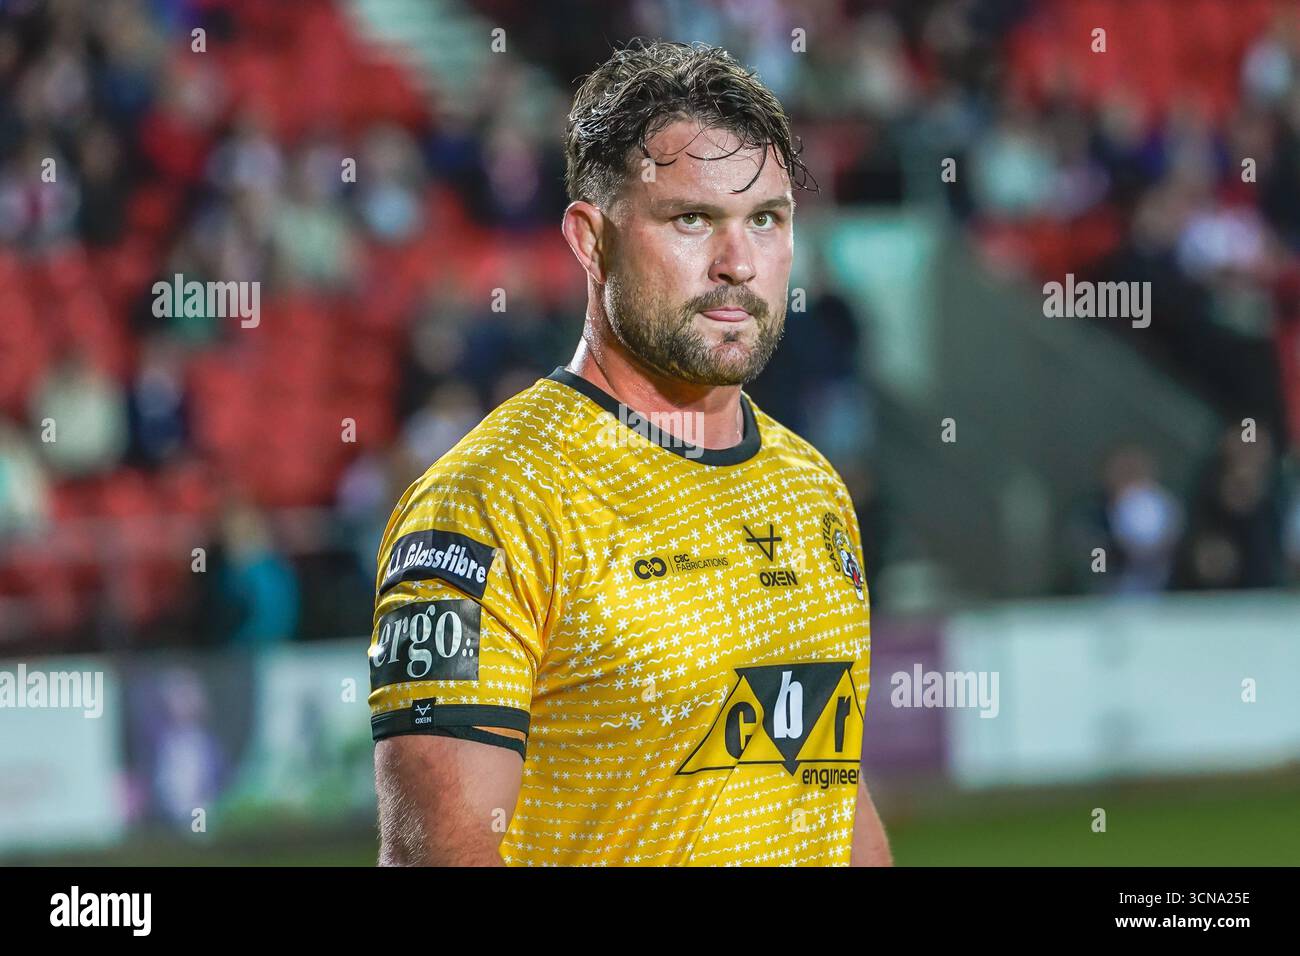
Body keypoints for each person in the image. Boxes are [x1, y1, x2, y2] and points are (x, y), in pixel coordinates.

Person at [369, 39, 889, 866]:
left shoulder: (811, 487)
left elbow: (829, 794)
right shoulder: (490, 504)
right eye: (692, 219)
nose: (739, 263)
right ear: (590, 239)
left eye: (766, 219)